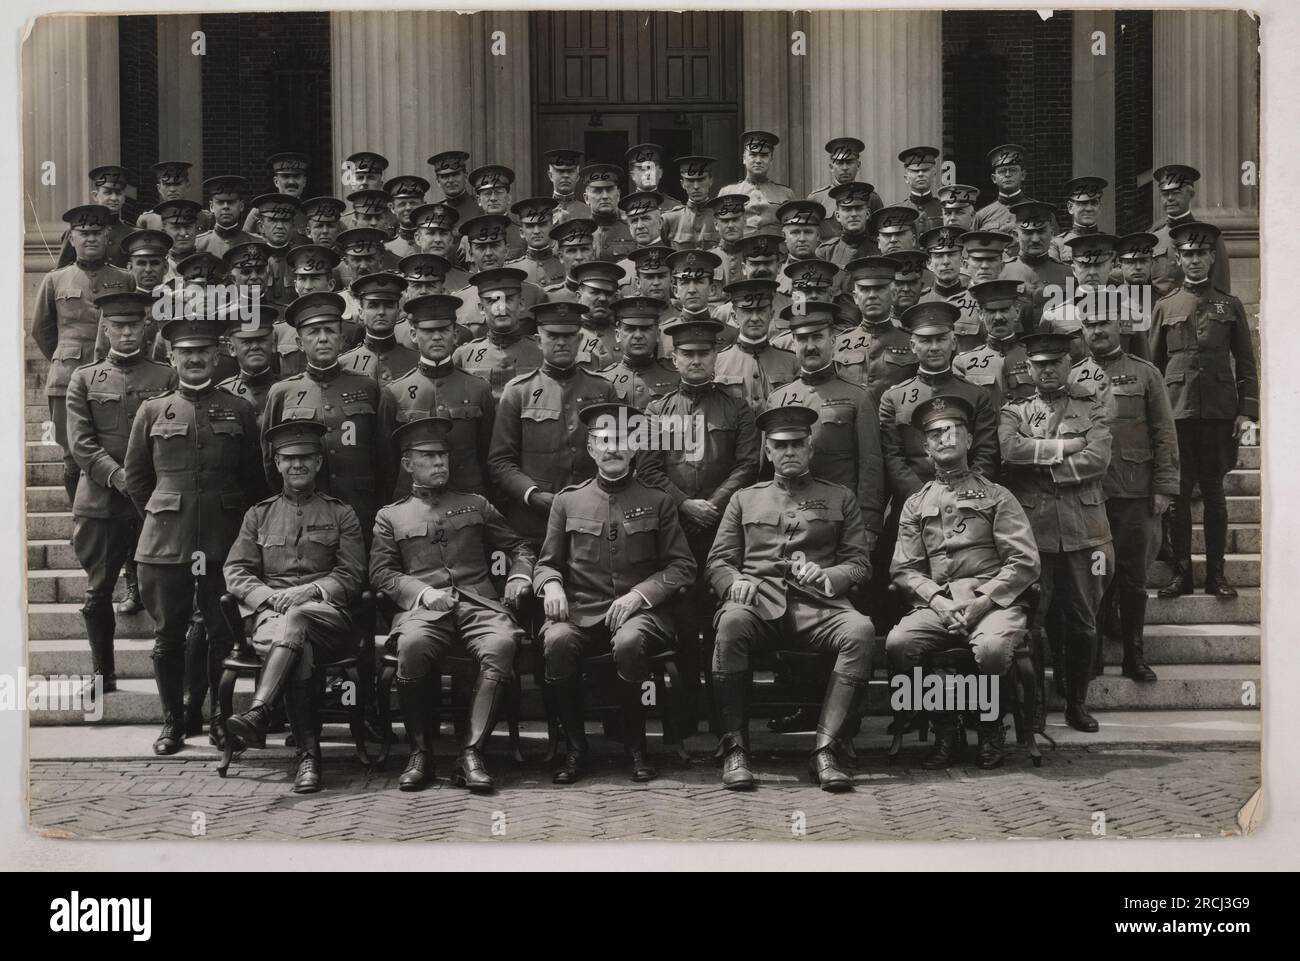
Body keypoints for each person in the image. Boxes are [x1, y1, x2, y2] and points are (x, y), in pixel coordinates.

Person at [706, 405, 875, 791]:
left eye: (798, 444)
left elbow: (859, 563)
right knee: (730, 623)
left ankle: (826, 749)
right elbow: (718, 561)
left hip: (819, 607)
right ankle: (735, 747)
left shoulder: (840, 497)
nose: (789, 452)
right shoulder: (744, 500)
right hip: (758, 606)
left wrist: (828, 575)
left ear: (811, 449)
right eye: (780, 446)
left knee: (860, 630)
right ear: (767, 451)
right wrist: (734, 583)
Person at [370, 416, 536, 793]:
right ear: (408, 463)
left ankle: (471, 754)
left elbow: (520, 547)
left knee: (501, 644)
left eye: (443, 456)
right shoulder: (390, 516)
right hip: (424, 609)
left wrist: (519, 575)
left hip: (479, 604)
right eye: (428, 457)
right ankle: (421, 754)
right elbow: (381, 573)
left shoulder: (475, 504)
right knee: (411, 647)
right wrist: (423, 593)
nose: (440, 463)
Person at [534, 402, 697, 784]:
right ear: (590, 448)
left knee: (629, 642)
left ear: (636, 445)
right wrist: (552, 584)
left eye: (622, 440)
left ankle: (636, 746)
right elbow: (545, 563)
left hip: (642, 614)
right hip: (582, 611)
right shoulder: (567, 500)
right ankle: (576, 748)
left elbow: (681, 566)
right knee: (556, 641)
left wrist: (639, 596)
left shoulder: (658, 501)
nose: (613, 449)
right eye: (604, 441)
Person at [123, 314, 263, 754]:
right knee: (169, 636)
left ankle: (220, 720)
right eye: (186, 353)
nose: (195, 359)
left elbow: (254, 480)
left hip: (222, 544)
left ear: (217, 355)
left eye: (203, 352)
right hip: (166, 545)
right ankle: (173, 721)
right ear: (171, 356)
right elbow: (137, 478)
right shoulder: (152, 411)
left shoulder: (239, 409)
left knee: (222, 636)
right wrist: (164, 512)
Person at [888, 394, 1040, 769]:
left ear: (970, 440)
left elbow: (1024, 561)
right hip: (938, 604)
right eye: (936, 434)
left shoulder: (997, 496)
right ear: (925, 447)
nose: (946, 438)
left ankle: (990, 727)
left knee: (990, 651)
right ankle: (945, 728)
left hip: (991, 602)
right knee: (899, 644)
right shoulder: (915, 503)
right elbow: (904, 569)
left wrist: (982, 602)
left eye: (955, 430)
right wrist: (937, 602)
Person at [222, 419, 366, 793]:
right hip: (272, 616)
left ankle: (260, 711)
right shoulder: (259, 514)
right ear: (277, 464)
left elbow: (352, 574)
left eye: (305, 458)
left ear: (319, 463)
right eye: (288, 459)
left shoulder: (341, 513)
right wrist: (270, 598)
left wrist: (311, 592)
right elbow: (236, 572)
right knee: (297, 646)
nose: (297, 465)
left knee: (299, 618)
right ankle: (309, 758)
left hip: (327, 616)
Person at [639, 318, 760, 725]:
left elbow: (747, 465)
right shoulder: (656, 411)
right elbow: (650, 470)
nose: (695, 361)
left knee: (724, 617)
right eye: (687, 354)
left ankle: (724, 710)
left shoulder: (736, 408)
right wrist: (686, 504)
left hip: (725, 531)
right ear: (674, 359)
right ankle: (688, 707)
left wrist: (713, 504)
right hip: (676, 533)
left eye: (703, 354)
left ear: (715, 357)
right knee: (686, 622)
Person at [998, 332, 1113, 732]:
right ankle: (1035, 706)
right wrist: (1066, 448)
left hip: (1086, 530)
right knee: (1033, 622)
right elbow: (1010, 452)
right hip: (1034, 532)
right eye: (1039, 364)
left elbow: (1098, 458)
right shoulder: (1015, 410)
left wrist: (1042, 459)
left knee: (1084, 622)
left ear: (1068, 365)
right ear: (1028, 368)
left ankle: (1076, 703)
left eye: (1055, 363)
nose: (1047, 370)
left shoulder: (1091, 405)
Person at [66, 291, 178, 693]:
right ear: (106, 328)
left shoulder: (164, 376)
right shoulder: (85, 378)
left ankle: (171, 676)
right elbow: (80, 444)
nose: (127, 332)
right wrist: (117, 476)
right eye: (118, 326)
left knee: (167, 592)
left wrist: (146, 485)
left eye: (134, 324)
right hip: (100, 502)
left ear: (145, 327)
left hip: (154, 501)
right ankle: (102, 674)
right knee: (98, 591)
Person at [1151, 221, 1258, 599]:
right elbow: (1154, 366)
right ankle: (1182, 574)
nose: (1194, 260)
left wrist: (1246, 412)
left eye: (1201, 254)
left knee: (1214, 494)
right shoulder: (1165, 308)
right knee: (1178, 498)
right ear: (1178, 259)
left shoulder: (1229, 306)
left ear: (1212, 257)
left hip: (1218, 413)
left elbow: (1245, 361)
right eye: (1187, 254)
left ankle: (1217, 575)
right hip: (1177, 413)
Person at [1082, 305, 1179, 681]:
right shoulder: (1074, 376)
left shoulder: (1145, 373)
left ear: (1120, 326)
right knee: (1093, 575)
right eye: (1089, 324)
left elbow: (1164, 432)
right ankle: (1091, 656)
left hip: (1136, 494)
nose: (1096, 330)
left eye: (1103, 322)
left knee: (1133, 578)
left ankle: (1133, 655)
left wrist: (1165, 487)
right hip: (1091, 497)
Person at [488, 302, 619, 548]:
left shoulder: (603, 389)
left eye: (569, 336)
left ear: (580, 339)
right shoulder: (518, 391)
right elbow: (500, 462)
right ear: (539, 340)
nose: (561, 342)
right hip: (536, 520)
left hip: (594, 515)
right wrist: (532, 495)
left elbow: (617, 453)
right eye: (553, 336)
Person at [261, 292, 383, 546]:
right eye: (313, 332)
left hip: (361, 506)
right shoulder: (283, 392)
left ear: (341, 339)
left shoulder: (367, 387)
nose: (323, 338)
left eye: (330, 331)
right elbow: (270, 461)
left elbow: (383, 453)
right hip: (305, 510)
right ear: (299, 341)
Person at [32, 204, 134, 503]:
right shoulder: (55, 280)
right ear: (72, 238)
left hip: (110, 378)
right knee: (71, 454)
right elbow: (42, 329)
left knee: (111, 448)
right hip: (66, 378)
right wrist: (65, 355)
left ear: (108, 237)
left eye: (96, 233)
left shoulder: (124, 278)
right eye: (83, 233)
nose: (90, 239)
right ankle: (80, 518)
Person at [765, 301, 886, 539]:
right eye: (802, 339)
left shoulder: (858, 397)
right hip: (789, 516)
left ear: (833, 340)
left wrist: (869, 523)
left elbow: (870, 465)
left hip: (840, 516)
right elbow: (767, 469)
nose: (810, 346)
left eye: (817, 337)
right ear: (793, 342)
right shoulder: (778, 399)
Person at [378, 294, 495, 500]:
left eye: (444, 330)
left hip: (468, 499)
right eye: (428, 330)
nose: (437, 337)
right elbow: (387, 460)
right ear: (414, 334)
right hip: (413, 503)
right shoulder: (395, 392)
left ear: (456, 334)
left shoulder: (479, 389)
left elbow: (486, 454)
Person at [833, 256, 918, 404]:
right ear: (855, 297)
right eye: (865, 289)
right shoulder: (838, 343)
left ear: (893, 294)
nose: (872, 295)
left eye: (880, 288)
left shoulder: (911, 342)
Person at [451, 267, 543, 399]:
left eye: (509, 299)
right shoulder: (463, 356)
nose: (501, 307)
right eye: (492, 301)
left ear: (522, 304)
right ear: (481, 308)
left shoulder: (542, 351)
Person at [713, 278, 797, 415]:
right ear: (734, 317)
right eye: (747, 311)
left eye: (761, 310)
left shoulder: (792, 361)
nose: (755, 318)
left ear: (771, 314)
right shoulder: (717, 362)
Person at [953, 279, 1036, 410]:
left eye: (1004, 310)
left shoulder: (1034, 357)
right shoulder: (963, 363)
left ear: (1017, 312)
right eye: (991, 311)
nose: (998, 317)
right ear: (980, 314)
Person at [1149, 164, 1231, 296]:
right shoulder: (1154, 236)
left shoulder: (1208, 235)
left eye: (1176, 192)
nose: (1170, 198)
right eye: (1165, 193)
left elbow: (1220, 285)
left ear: (1191, 194)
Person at [597, 296, 680, 406]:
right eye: (630, 329)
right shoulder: (602, 382)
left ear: (658, 334)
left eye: (646, 329)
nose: (638, 336)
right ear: (617, 334)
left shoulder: (676, 380)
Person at [340, 271, 418, 387]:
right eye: (373, 305)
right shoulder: (343, 364)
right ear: (361, 312)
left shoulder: (416, 361)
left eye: (389, 305)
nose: (381, 312)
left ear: (398, 312)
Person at [717, 129, 795, 232]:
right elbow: (720, 229)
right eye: (753, 155)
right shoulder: (727, 193)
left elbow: (793, 230)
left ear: (771, 160)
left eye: (764, 155)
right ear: (744, 159)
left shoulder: (786, 194)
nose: (758, 160)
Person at [808, 137, 883, 241]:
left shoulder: (871, 198)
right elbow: (810, 236)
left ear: (858, 165)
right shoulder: (817, 199)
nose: (845, 168)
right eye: (839, 163)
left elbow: (879, 236)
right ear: (831, 167)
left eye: (849, 162)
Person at [663, 155, 720, 249]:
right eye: (690, 181)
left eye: (701, 179)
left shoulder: (721, 217)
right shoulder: (670, 219)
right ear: (682, 183)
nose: (696, 186)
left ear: (711, 180)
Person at [971, 144, 1030, 234]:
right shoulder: (981, 216)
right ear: (994, 178)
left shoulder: (1040, 211)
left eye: (1013, 170)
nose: (1007, 175)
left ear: (1023, 175)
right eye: (1002, 171)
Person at [896, 145, 944, 236]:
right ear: (906, 178)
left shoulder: (944, 209)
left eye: (925, 170)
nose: (921, 174)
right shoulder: (898, 211)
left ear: (934, 175)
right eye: (915, 171)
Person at [428, 149, 478, 226]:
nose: (451, 180)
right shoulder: (432, 212)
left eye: (456, 174)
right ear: (438, 181)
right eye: (445, 176)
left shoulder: (480, 206)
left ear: (465, 176)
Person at [543, 147, 590, 224]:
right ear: (550, 175)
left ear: (578, 176)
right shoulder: (541, 214)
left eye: (570, 171)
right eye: (560, 171)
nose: (566, 175)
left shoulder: (588, 213)